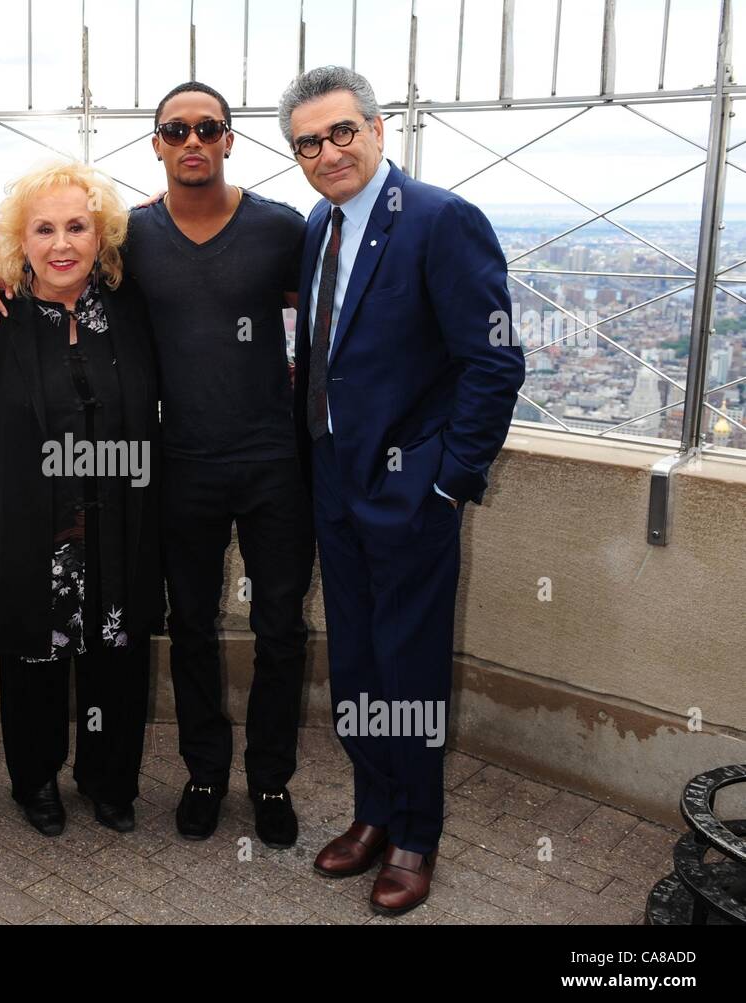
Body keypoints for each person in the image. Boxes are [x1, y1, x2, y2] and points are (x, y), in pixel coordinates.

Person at [282, 66, 525, 915]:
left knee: (410, 669)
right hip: (335, 487)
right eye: (309, 142)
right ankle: (373, 813)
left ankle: (417, 834)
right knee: (355, 663)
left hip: (412, 493)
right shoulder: (320, 224)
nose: (328, 151)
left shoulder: (439, 219)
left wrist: (450, 483)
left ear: (379, 130)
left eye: (342, 131)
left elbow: (494, 361)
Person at [126, 82, 314, 850]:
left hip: (275, 461)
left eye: (209, 127)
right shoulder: (131, 235)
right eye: (178, 129)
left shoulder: (280, 227)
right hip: (182, 462)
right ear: (159, 144)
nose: (193, 140)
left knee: (281, 626)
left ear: (231, 139)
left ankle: (270, 777)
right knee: (191, 624)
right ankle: (205, 771)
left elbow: (331, 323)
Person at [0, 161, 160, 838]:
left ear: (101, 234)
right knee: (34, 662)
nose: (61, 243)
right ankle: (36, 779)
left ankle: (110, 780)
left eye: (77, 225)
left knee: (119, 655)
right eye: (42, 228)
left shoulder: (134, 308)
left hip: (120, 521)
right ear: (19, 240)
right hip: (30, 524)